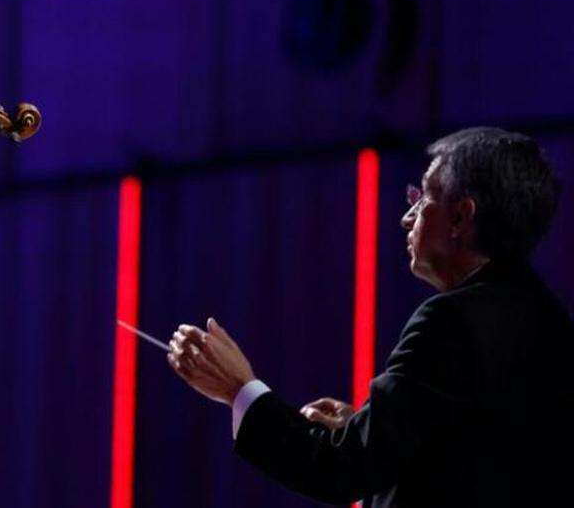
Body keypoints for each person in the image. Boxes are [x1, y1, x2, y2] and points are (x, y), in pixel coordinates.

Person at [167, 127, 574, 506]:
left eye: (422, 198)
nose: (406, 218)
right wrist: (372, 429)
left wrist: (238, 387)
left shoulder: (449, 322)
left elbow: (341, 471)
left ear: (460, 217)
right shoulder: (552, 322)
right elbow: (479, 460)